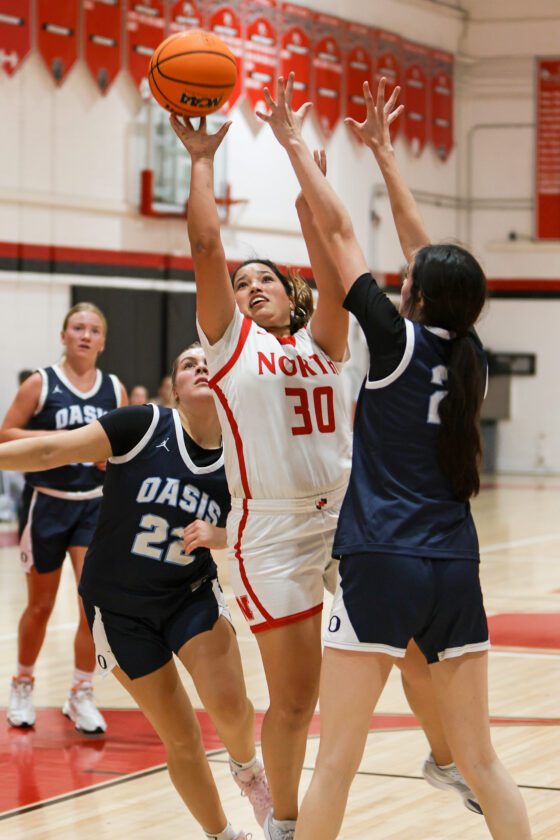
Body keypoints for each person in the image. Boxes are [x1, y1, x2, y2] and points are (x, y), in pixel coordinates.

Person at [169, 110, 480, 839]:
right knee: (299, 699)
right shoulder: (227, 348)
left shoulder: (324, 340)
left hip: (346, 521)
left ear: (291, 292)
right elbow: (206, 242)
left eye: (264, 279)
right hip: (270, 534)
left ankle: (445, 759)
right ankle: (282, 820)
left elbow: (329, 252)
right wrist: (202, 160)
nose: (250, 286)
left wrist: (311, 184)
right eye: (240, 283)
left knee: (416, 655)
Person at [258, 73, 533, 840]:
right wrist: (385, 156)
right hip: (453, 563)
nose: (404, 274)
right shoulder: (472, 352)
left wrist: (294, 150)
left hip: (380, 557)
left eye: (410, 278)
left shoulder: (392, 341)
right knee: (482, 760)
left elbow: (342, 232)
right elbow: (432, 258)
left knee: (339, 759)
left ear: (414, 296)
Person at [0, 344, 271, 840]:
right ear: (174, 388)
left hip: (188, 593)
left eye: (209, 361)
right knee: (183, 737)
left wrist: (221, 536)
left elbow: (269, 526)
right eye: (189, 363)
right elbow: (49, 450)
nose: (201, 367)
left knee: (232, 708)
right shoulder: (143, 425)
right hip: (118, 609)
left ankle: (248, 770)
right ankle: (223, 835)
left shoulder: (245, 452)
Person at [1, 302, 127, 734]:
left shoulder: (114, 388)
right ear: (63, 335)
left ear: (103, 341)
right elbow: (6, 435)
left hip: (94, 505)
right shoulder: (41, 383)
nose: (85, 335)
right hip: (47, 503)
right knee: (40, 606)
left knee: (92, 606)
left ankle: (81, 692)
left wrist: (110, 461)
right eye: (77, 327)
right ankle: (22, 683)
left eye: (94, 329)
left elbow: (122, 449)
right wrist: (68, 441)